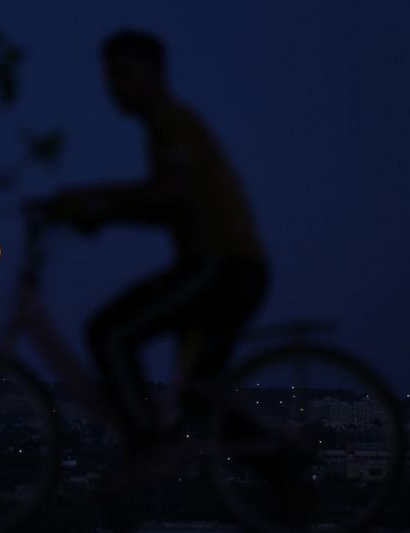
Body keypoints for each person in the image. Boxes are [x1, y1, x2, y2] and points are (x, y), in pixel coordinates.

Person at [37, 30, 270, 451]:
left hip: (221, 266)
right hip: (233, 269)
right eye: (110, 77)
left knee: (110, 333)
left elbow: (172, 197)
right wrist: (101, 208)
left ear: (156, 73)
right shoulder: (168, 123)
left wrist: (98, 204)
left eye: (124, 74)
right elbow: (164, 200)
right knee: (200, 396)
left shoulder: (169, 121)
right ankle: (285, 473)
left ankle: (146, 451)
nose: (115, 86)